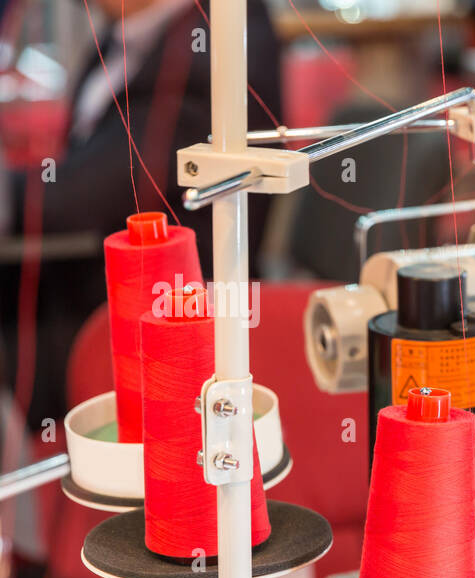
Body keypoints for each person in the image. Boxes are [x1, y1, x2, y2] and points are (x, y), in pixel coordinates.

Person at [0, 0, 283, 431]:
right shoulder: (133, 35)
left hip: (144, 318)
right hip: (85, 276)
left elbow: (80, 198)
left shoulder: (217, 40)